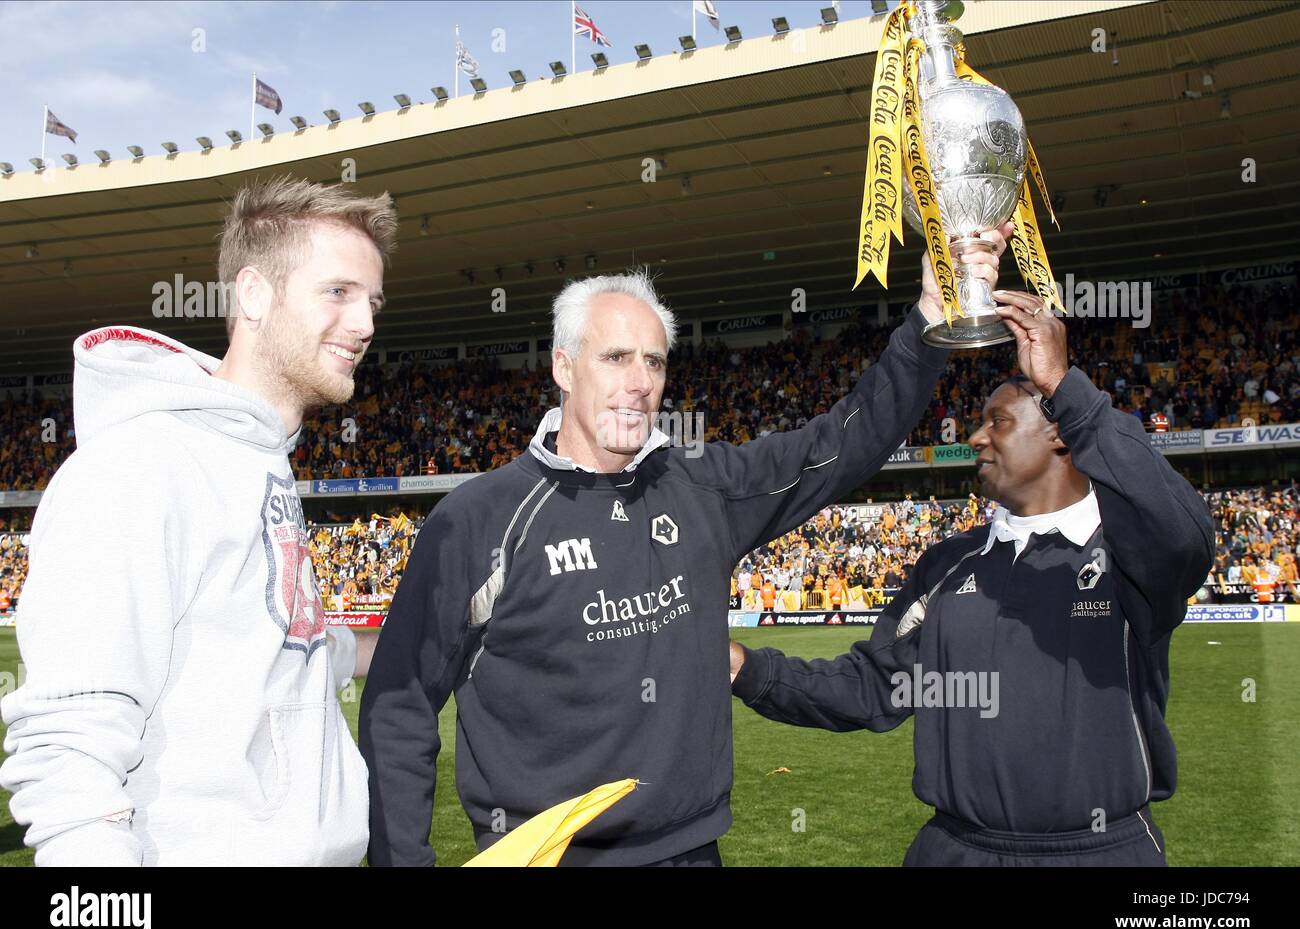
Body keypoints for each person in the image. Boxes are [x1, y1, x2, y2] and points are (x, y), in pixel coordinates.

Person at [360, 226, 1014, 867]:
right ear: (563, 366)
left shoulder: (700, 484)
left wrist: (931, 316)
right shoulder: (480, 518)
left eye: (654, 361)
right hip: (549, 856)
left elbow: (842, 446)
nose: (640, 381)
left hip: (693, 850)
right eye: (615, 357)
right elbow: (399, 703)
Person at [728, 291, 1215, 866]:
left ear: (1060, 433)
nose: (976, 437)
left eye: (998, 422)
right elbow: (874, 687)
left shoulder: (1131, 556)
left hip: (1100, 852)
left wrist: (1067, 388)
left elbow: (1186, 532)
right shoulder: (947, 564)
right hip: (957, 850)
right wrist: (743, 668)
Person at [0, 176, 394, 865]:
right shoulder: (141, 466)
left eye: (372, 301)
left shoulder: (258, 458)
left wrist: (404, 643)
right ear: (252, 295)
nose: (365, 324)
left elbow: (275, 651)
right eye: (338, 292)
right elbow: (67, 748)